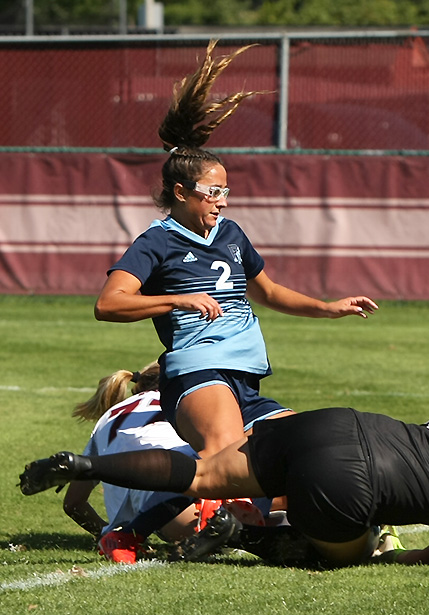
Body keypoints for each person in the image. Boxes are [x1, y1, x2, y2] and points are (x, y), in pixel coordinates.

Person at [93, 41, 378, 458]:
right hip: (197, 372)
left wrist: (328, 308)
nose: (223, 201)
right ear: (181, 192)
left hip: (244, 375)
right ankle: (147, 518)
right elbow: (108, 305)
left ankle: (274, 524)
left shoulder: (230, 233)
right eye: (213, 192)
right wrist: (177, 300)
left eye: (226, 191)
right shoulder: (158, 241)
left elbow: (268, 292)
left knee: (300, 451)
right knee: (225, 455)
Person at [19, 407, 429, 568]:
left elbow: (424, 441)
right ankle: (236, 533)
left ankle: (86, 465)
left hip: (334, 423)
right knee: (345, 558)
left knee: (202, 472)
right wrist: (391, 555)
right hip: (351, 481)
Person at [62, 361, 201, 562]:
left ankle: (124, 538)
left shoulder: (109, 416)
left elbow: (73, 503)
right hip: (187, 504)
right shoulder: (189, 404)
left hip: (158, 516)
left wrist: (105, 532)